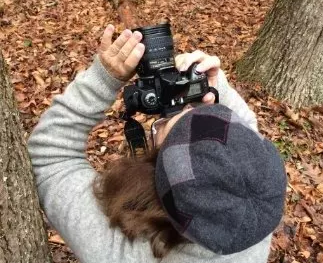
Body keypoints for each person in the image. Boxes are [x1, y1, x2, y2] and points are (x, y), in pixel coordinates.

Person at [28, 25, 287, 263]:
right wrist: (217, 88)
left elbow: (50, 159)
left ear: (156, 182)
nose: (180, 109)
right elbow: (249, 135)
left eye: (164, 126)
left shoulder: (120, 253)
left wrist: (102, 79)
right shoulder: (258, 217)